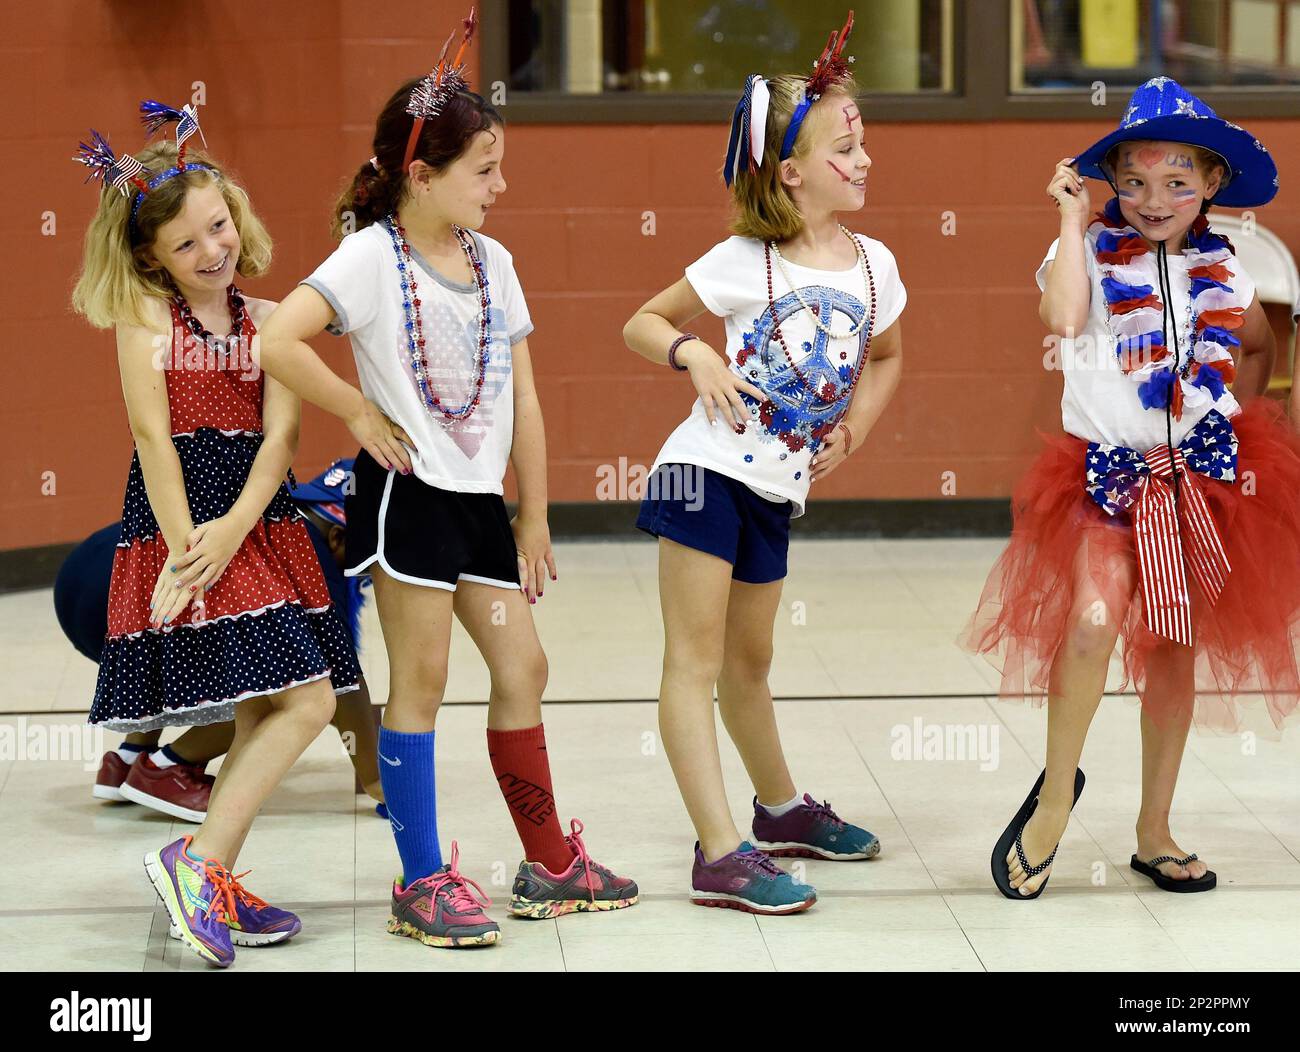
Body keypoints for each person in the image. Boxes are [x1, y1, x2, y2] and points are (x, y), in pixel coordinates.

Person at [256, 8, 637, 948]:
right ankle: (421, 879)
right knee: (420, 679)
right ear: (420, 175)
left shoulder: (492, 260)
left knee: (525, 666)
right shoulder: (369, 257)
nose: (500, 186)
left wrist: (536, 512)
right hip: (409, 502)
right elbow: (277, 337)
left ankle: (549, 867)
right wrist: (354, 412)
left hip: (481, 510)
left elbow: (528, 398)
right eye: (485, 170)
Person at [964, 78, 1300, 899]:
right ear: (1111, 177)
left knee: (1174, 649)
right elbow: (1064, 319)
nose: (1155, 200)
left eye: (1178, 183)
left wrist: (1241, 418)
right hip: (1106, 479)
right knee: (1089, 622)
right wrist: (1072, 221)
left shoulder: (1226, 268)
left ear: (1212, 185)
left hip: (1197, 487)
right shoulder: (1080, 249)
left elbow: (1258, 342)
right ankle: (1052, 799)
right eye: (1136, 182)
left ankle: (1154, 827)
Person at [622, 12, 905, 914]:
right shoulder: (744, 259)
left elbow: (890, 356)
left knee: (752, 659)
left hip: (774, 489)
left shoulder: (876, 267)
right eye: (844, 148)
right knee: (693, 663)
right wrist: (692, 354)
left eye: (863, 144)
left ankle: (780, 810)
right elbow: (642, 322)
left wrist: (856, 423)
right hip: (699, 473)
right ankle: (718, 854)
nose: (863, 160)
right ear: (790, 172)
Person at [71, 100, 361, 966]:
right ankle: (194, 862)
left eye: (218, 227)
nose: (212, 251)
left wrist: (237, 528)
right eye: (187, 244)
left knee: (272, 704)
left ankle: (211, 869)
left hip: (256, 525)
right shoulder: (147, 323)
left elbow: (282, 440)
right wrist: (190, 549)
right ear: (150, 258)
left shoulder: (274, 319)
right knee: (308, 700)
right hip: (184, 528)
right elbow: (154, 440)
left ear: (238, 215)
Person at [61, 458, 386, 821]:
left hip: (92, 581)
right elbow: (343, 682)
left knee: (186, 646)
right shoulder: (314, 553)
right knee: (279, 685)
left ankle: (127, 759)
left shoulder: (278, 512)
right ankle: (167, 769)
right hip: (129, 597)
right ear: (339, 537)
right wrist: (376, 781)